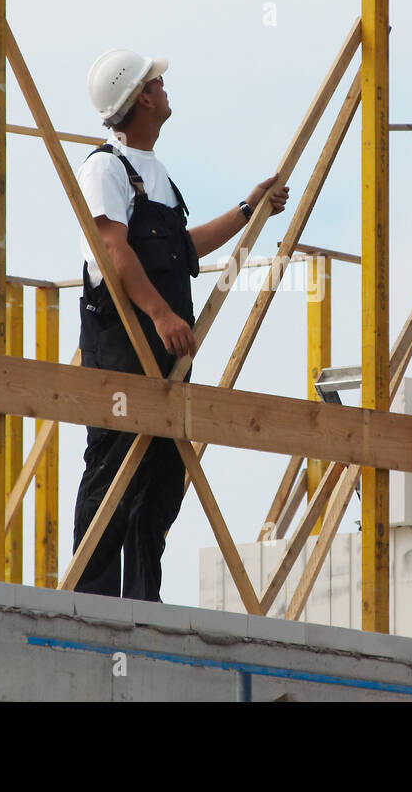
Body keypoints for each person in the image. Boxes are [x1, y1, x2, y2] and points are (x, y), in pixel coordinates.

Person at [72, 48, 289, 601]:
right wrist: (162, 313)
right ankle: (89, 601)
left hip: (168, 353)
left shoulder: (158, 176)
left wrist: (247, 210)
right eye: (157, 82)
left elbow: (183, 251)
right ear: (141, 98)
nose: (165, 88)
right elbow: (114, 250)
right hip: (123, 347)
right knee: (113, 466)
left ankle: (143, 603)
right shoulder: (105, 168)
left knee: (163, 479)